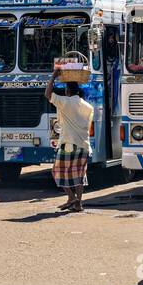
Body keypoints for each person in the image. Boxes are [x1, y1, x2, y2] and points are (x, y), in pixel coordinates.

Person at [46, 67, 93, 212]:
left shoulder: (65, 102)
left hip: (68, 144)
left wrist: (54, 76)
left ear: (67, 91)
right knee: (79, 175)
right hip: (84, 145)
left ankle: (71, 198)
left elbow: (48, 94)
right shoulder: (88, 106)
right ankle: (78, 204)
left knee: (58, 172)